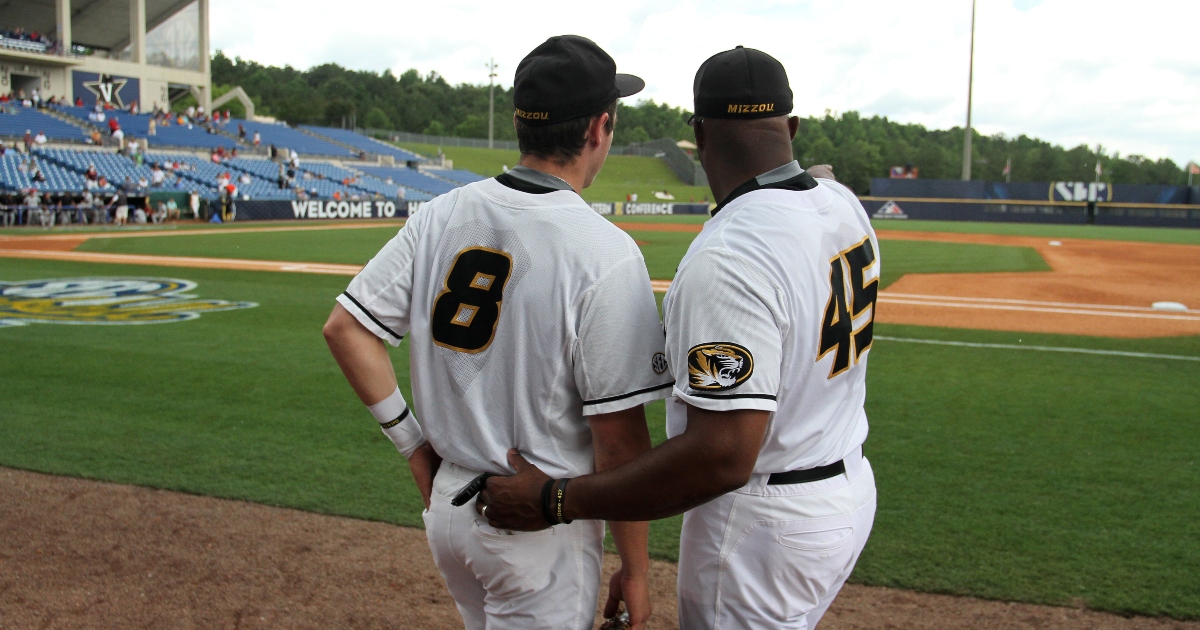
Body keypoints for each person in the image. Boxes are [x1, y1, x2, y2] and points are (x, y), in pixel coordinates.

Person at [480, 46, 879, 630]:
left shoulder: (729, 255)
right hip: (844, 491)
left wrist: (557, 499)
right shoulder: (841, 206)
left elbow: (723, 455)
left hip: (764, 528)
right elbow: (821, 175)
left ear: (698, 134)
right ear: (790, 128)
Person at [321, 35, 660, 630]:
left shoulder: (439, 213)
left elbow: (346, 327)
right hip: (534, 527)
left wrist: (413, 446)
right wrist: (637, 566)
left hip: (450, 513)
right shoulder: (605, 252)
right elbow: (619, 438)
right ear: (599, 129)